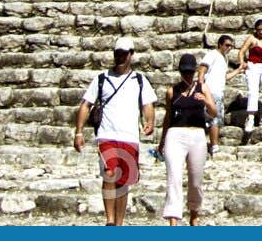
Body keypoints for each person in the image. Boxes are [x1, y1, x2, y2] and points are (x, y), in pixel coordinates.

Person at [73, 37, 157, 226]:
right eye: (117, 53)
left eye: (123, 54)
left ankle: (119, 222)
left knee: (124, 182)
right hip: (107, 134)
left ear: (131, 55)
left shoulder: (140, 80)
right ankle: (110, 220)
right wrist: (79, 132)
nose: (120, 57)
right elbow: (86, 104)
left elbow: (148, 104)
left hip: (129, 136)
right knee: (109, 175)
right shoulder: (102, 78)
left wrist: (149, 121)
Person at [159, 53, 216, 225]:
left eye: (190, 72)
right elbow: (168, 117)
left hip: (197, 134)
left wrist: (206, 101)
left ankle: (194, 212)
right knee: (174, 176)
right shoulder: (172, 91)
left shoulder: (203, 88)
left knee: (195, 178)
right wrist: (162, 140)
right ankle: (173, 218)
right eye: (185, 72)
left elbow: (214, 113)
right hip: (175, 135)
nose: (188, 76)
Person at [200, 34, 236, 153]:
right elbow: (202, 69)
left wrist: (239, 70)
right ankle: (214, 145)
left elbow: (225, 77)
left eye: (231, 46)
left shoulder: (223, 58)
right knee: (213, 119)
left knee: (216, 119)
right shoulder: (212, 54)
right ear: (220, 44)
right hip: (211, 92)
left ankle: (212, 144)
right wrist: (201, 86)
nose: (229, 48)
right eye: (227, 45)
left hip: (218, 93)